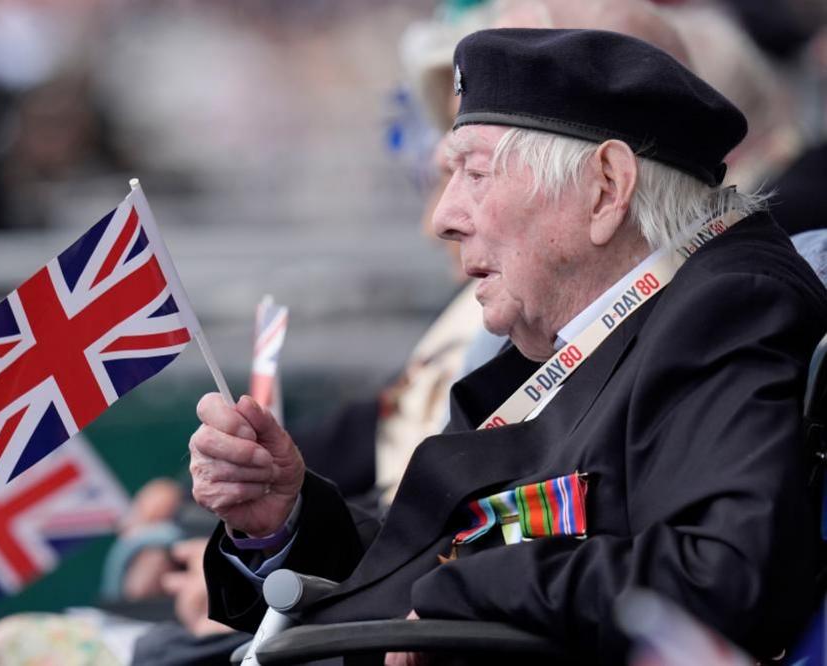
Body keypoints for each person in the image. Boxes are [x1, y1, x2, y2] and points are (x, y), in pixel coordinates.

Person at [189, 28, 827, 664]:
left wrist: (468, 592)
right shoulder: (584, 328)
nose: (443, 216)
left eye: (475, 172)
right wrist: (285, 520)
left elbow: (724, 574)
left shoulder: (725, 307)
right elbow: (440, 555)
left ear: (606, 186)